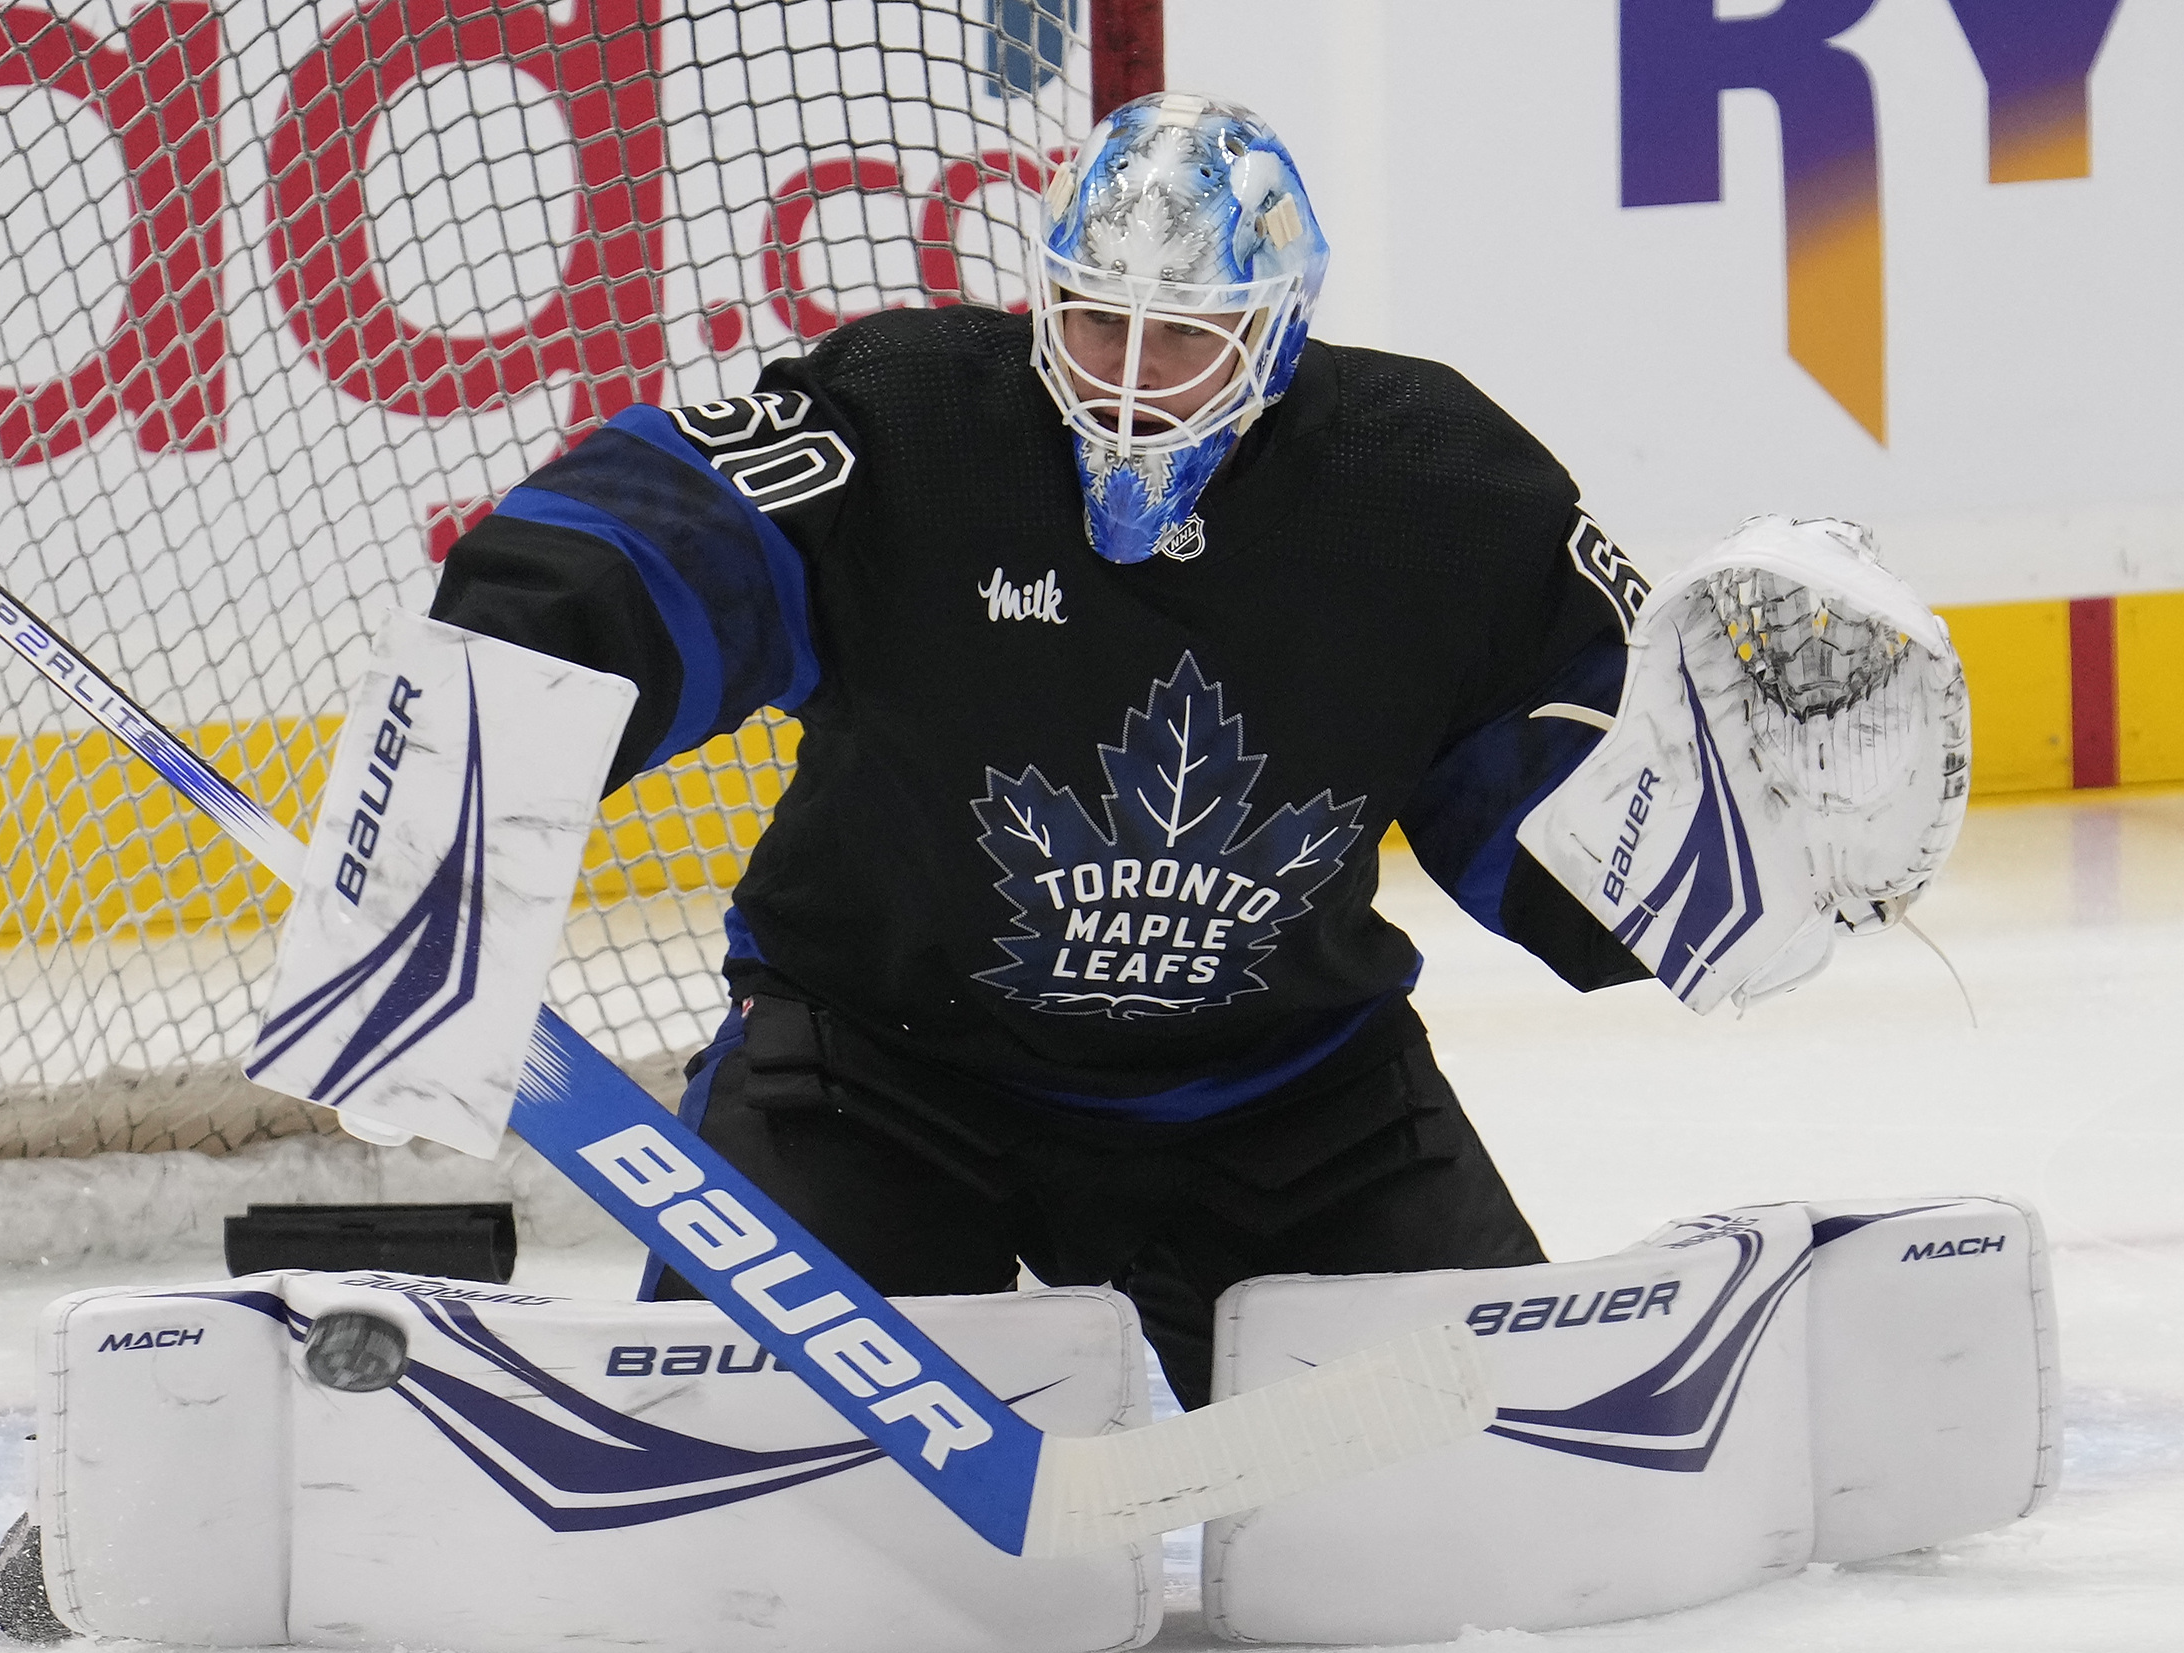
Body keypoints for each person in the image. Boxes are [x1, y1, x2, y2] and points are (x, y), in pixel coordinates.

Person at [431, 93, 1657, 1409]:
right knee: (756, 1476)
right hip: (881, 1079)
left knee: (1480, 1483)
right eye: (1093, 320)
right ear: (1040, 298)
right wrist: (491, 685)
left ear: (1277, 329)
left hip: (1287, 1101)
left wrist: (1736, 847)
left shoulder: (1427, 487)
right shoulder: (910, 422)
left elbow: (1567, 810)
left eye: (1183, 334)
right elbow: (673, 529)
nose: (1128, 374)